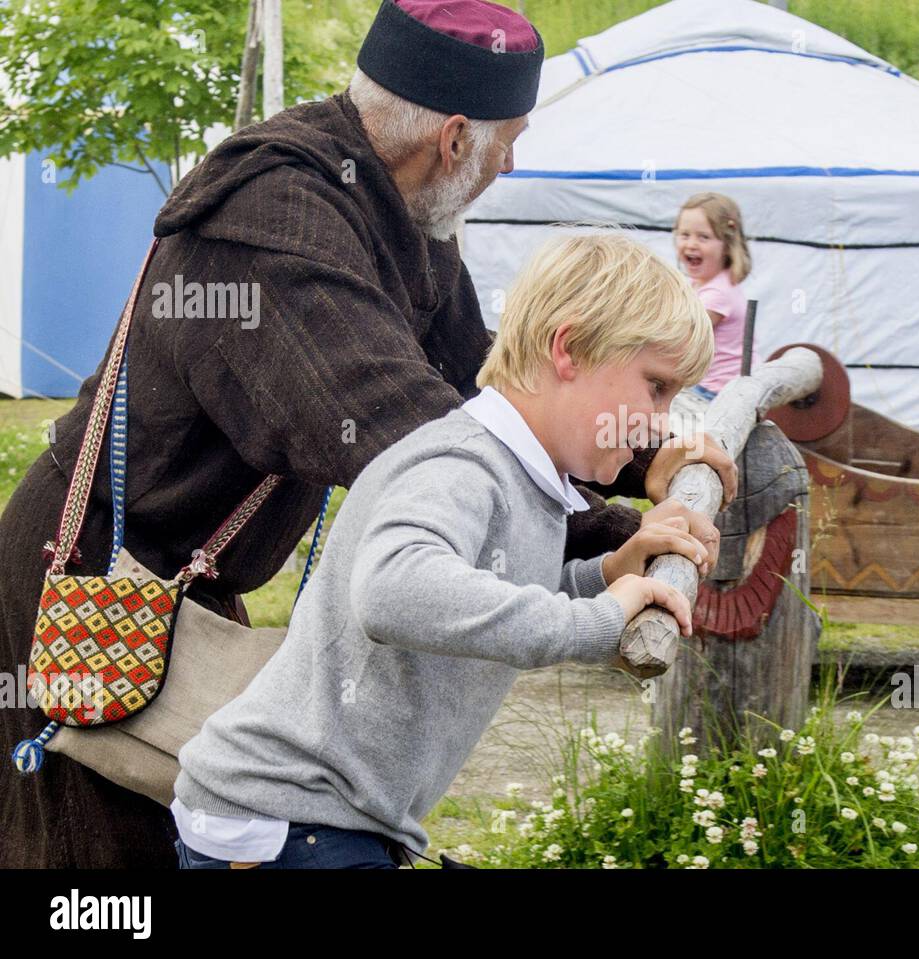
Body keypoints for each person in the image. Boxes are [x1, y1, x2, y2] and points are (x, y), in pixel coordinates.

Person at [0, 0, 735, 869]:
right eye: (511, 140)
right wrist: (618, 545)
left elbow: (484, 379)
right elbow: (411, 436)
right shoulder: (278, 219)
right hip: (90, 581)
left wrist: (643, 454)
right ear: (456, 140)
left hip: (181, 591)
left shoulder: (400, 220)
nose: (514, 162)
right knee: (93, 875)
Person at [171, 232, 715, 869]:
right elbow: (395, 590)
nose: (659, 422)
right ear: (568, 349)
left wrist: (602, 578)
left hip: (317, 819)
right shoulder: (462, 463)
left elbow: (486, 585)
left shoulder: (523, 477)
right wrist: (592, 622)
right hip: (292, 821)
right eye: (656, 387)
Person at [673, 192, 752, 401]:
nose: (691, 244)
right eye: (684, 235)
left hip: (714, 392)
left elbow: (680, 338)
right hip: (709, 386)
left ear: (726, 246)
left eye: (703, 237)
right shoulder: (701, 284)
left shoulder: (718, 293)